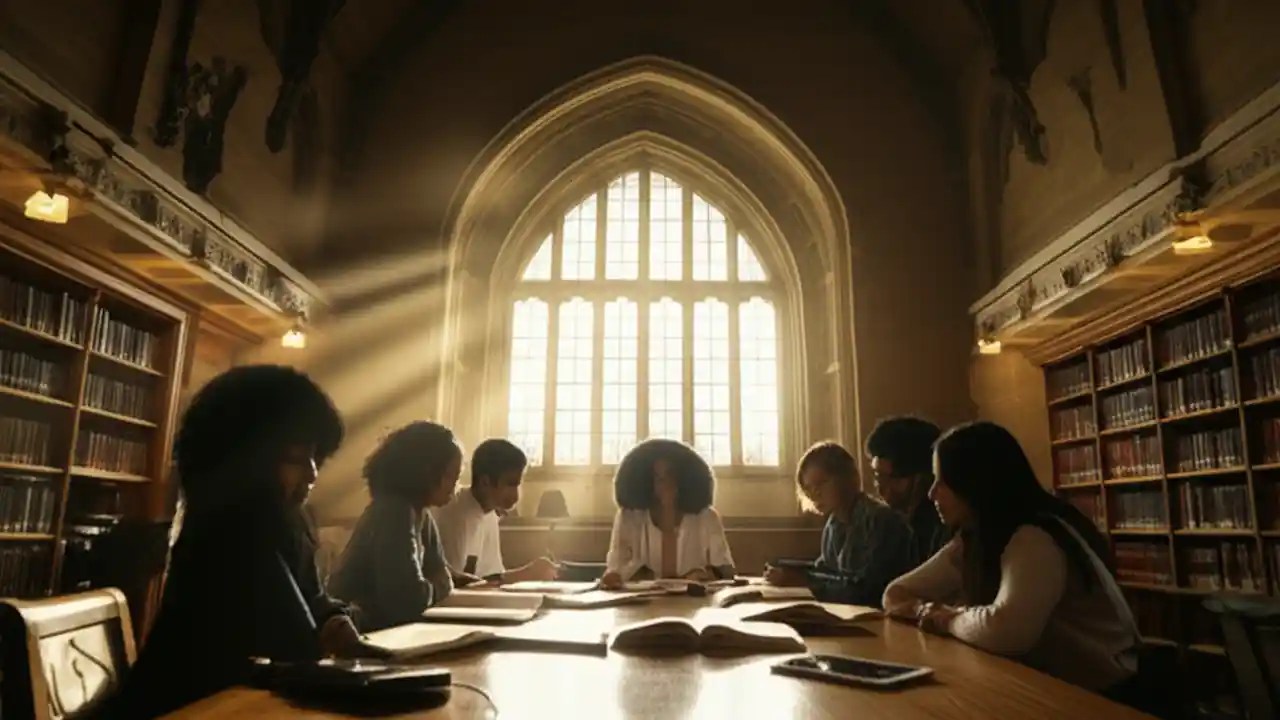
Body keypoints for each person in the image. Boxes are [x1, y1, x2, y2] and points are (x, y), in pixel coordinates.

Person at [104, 365, 382, 719]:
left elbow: (309, 598)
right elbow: (294, 644)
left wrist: (333, 620)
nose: (313, 474)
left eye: (315, 457)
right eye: (295, 459)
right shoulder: (230, 532)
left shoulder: (284, 522)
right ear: (249, 461)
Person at [882, 421, 1138, 694]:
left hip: (1103, 696)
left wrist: (948, 618)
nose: (931, 493)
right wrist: (925, 611)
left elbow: (1007, 632)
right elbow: (896, 594)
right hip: (1046, 685)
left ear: (975, 482)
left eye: (942, 481)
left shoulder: (1034, 537)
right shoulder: (979, 537)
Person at [327, 421, 459, 631]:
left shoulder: (422, 513)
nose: (456, 484)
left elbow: (441, 573)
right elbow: (408, 601)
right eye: (451, 475)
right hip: (352, 632)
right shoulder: (394, 511)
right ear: (427, 472)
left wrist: (436, 584)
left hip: (384, 629)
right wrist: (439, 586)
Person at [763, 441, 913, 606]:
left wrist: (805, 580)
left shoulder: (880, 520)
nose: (815, 494)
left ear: (849, 478)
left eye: (821, 483)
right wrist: (787, 569)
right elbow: (825, 570)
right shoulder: (833, 523)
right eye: (808, 488)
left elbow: (867, 590)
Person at [600, 438, 734, 587]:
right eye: (658, 477)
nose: (665, 482)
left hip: (693, 604)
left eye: (670, 474)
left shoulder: (707, 517)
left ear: (683, 478)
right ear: (647, 481)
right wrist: (628, 574)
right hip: (643, 605)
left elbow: (725, 570)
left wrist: (707, 575)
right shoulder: (628, 517)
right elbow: (615, 566)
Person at [431, 438, 560, 585]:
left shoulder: (489, 514)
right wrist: (526, 574)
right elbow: (458, 585)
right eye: (510, 484)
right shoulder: (456, 516)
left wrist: (533, 571)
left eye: (518, 484)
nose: (516, 495)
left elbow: (492, 577)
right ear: (485, 482)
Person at [865, 416, 949, 564]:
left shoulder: (941, 527)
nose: (880, 488)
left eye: (889, 478)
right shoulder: (893, 522)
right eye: (877, 476)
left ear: (921, 477)